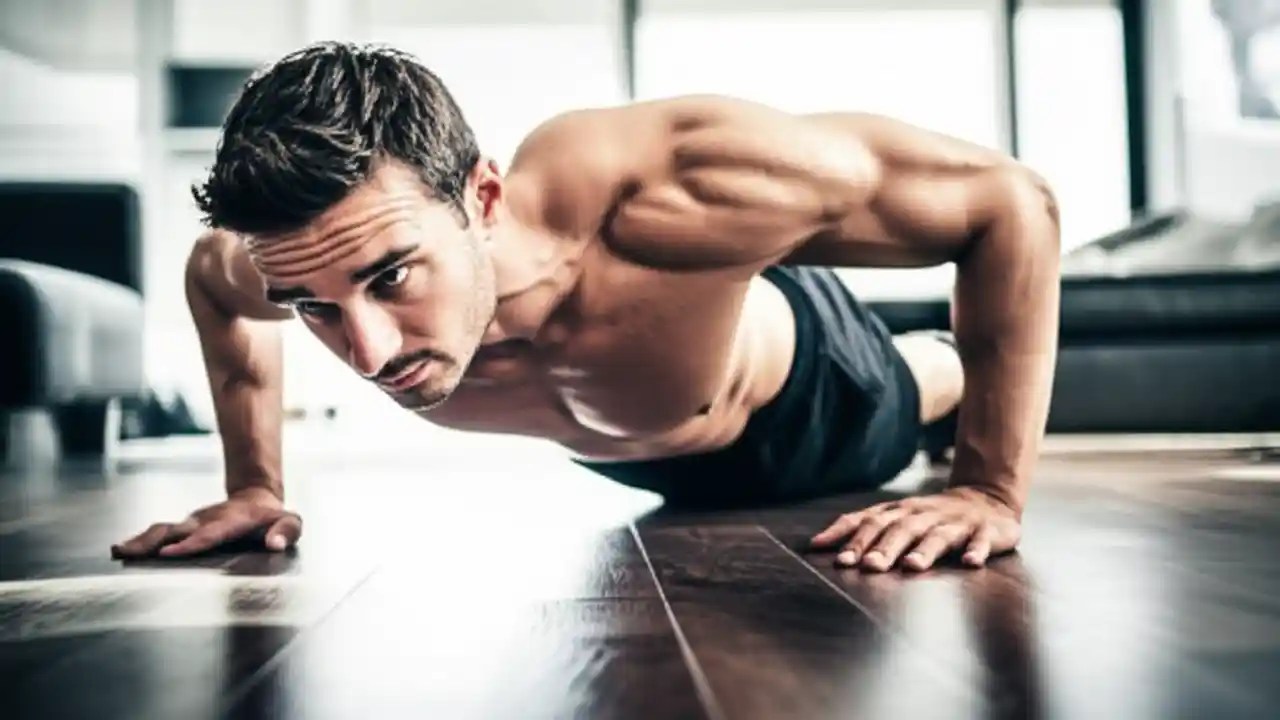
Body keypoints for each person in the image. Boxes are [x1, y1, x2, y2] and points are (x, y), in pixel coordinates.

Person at [111, 42, 1060, 573]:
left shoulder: (672, 191)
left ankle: (933, 365)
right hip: (638, 459)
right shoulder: (288, 255)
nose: (367, 354)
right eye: (314, 309)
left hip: (815, 399)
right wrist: (256, 487)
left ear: (482, 198)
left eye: (392, 276)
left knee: (921, 381)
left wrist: (988, 489)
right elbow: (213, 283)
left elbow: (1009, 202)